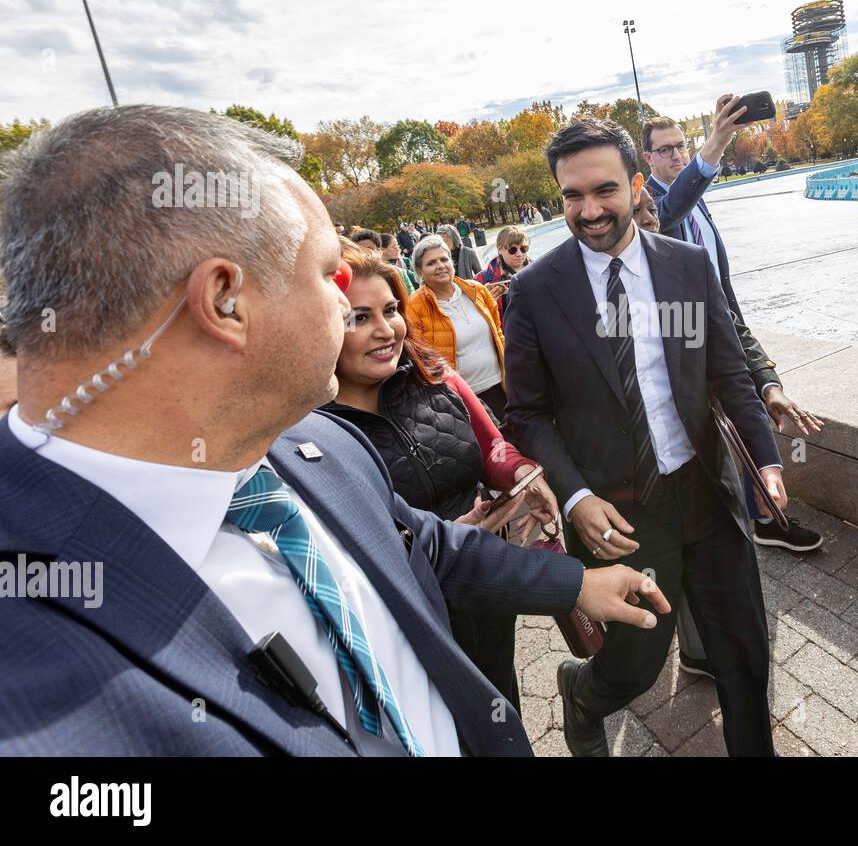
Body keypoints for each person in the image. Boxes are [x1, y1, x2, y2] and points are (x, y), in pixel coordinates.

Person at [0, 104, 668, 756]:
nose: (352, 301)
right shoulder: (35, 697)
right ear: (224, 302)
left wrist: (575, 585)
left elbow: (415, 544)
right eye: (328, 274)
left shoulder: (318, 445)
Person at [506, 118, 786, 757]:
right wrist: (575, 498)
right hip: (619, 515)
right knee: (633, 665)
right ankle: (581, 692)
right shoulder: (533, 293)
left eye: (603, 190)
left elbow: (727, 370)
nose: (588, 209)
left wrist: (765, 459)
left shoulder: (686, 267)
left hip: (708, 495)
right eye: (572, 196)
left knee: (744, 656)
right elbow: (528, 415)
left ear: (636, 185)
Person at [321, 242, 558, 710]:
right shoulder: (314, 428)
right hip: (411, 611)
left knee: (499, 699)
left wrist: (526, 476)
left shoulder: (435, 374)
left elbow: (493, 446)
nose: (385, 329)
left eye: (390, 310)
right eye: (359, 318)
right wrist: (435, 544)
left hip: (485, 575)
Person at [643, 102, 825, 554]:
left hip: (719, 327)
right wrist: (717, 143)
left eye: (680, 146)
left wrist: (765, 373)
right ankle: (755, 518)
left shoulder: (695, 199)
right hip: (684, 341)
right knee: (728, 428)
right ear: (646, 159)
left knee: (750, 414)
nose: (676, 156)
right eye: (664, 150)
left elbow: (721, 290)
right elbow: (669, 210)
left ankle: (762, 514)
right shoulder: (649, 205)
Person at [405, 235, 508, 420]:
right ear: (419, 271)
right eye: (431, 263)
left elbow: (498, 332)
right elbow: (420, 359)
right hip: (462, 399)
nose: (440, 266)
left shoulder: (477, 290)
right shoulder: (414, 306)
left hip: (500, 386)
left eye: (444, 259)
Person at [474, 224, 530, 318]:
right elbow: (474, 319)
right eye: (513, 250)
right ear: (500, 250)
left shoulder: (538, 271)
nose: (519, 254)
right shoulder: (480, 280)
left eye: (523, 248)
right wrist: (486, 305)